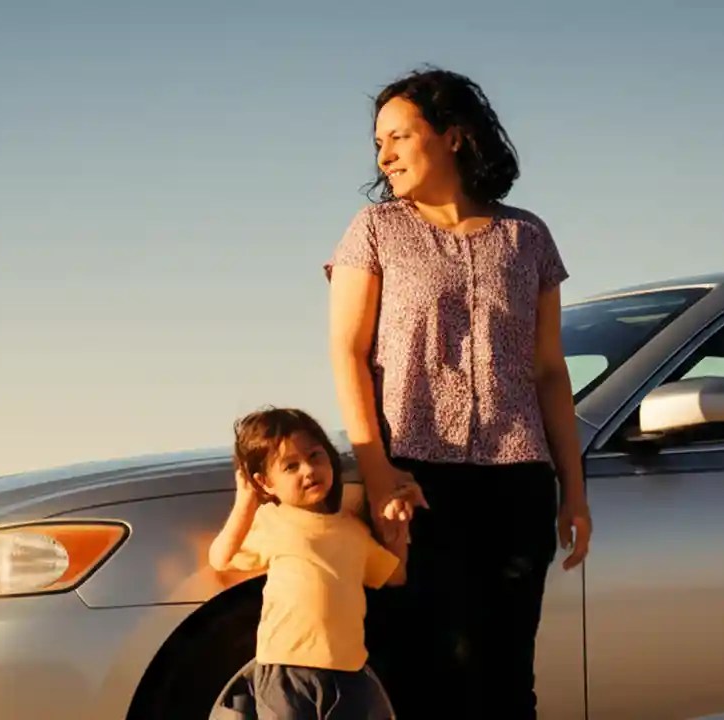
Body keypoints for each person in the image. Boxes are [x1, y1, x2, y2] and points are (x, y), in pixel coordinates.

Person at [324, 66, 593, 719]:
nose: (384, 154)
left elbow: (550, 371)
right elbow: (348, 352)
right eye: (377, 141)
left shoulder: (527, 238)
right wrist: (379, 471)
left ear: (453, 136)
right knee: (419, 674)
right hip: (414, 484)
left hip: (517, 484)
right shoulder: (376, 229)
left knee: (505, 680)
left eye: (399, 136)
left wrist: (574, 488)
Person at [209, 407, 421, 720]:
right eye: (290, 466)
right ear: (265, 482)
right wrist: (245, 502)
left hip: (348, 673)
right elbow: (221, 559)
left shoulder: (353, 530)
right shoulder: (272, 520)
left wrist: (398, 533)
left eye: (315, 456)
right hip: (286, 672)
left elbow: (394, 576)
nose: (308, 470)